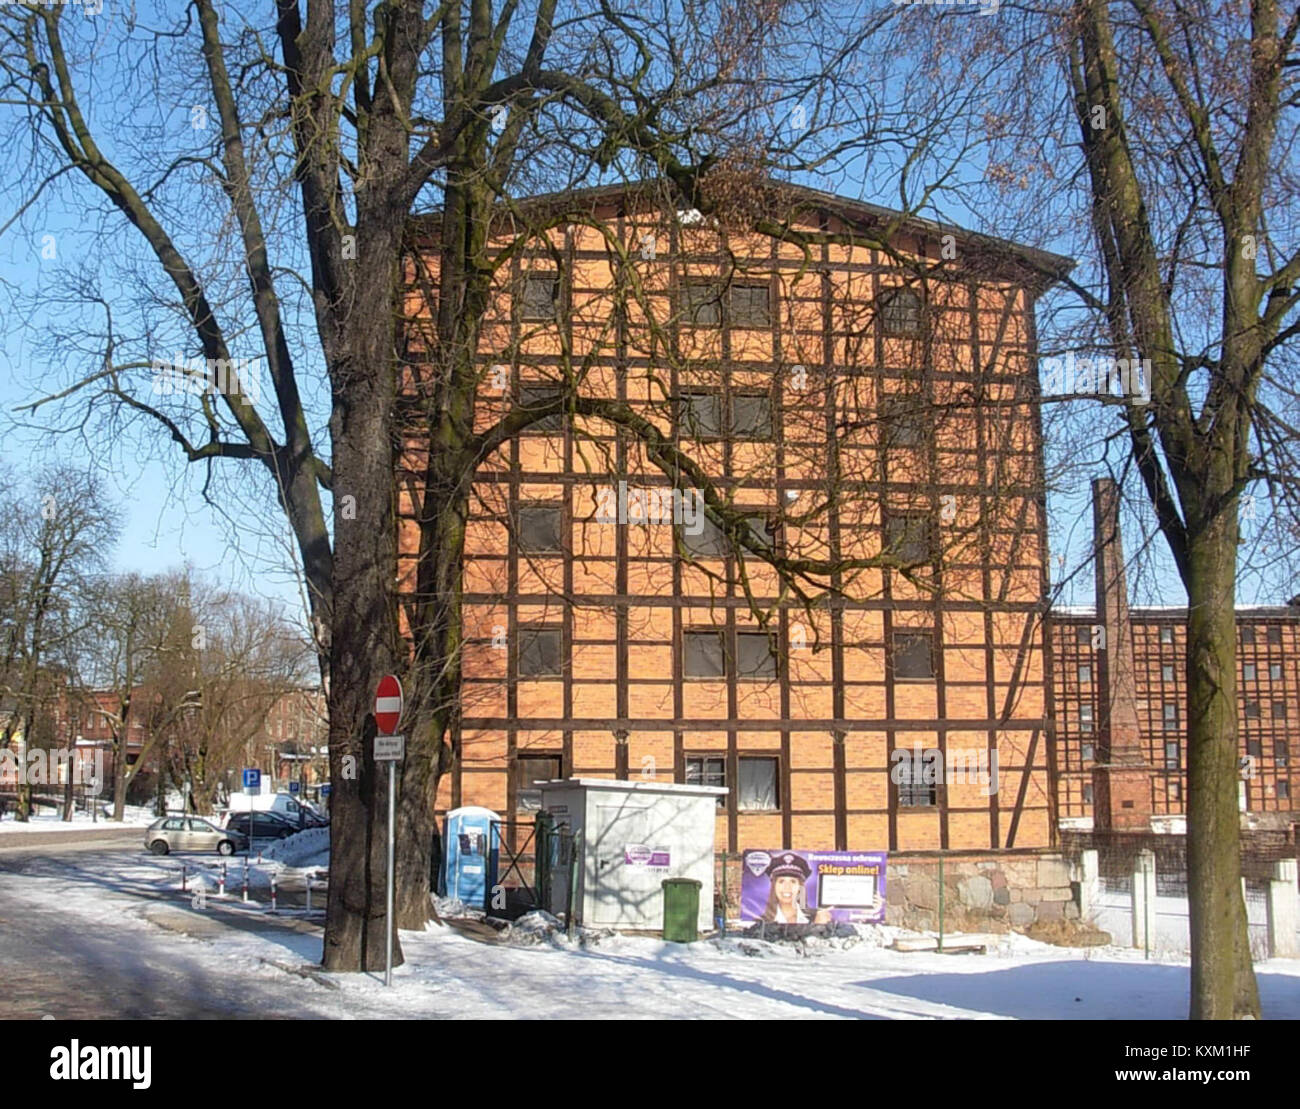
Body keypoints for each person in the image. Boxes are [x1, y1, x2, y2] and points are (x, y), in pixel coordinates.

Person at [760, 852, 831, 924]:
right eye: (781, 881)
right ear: (774, 886)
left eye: (793, 881)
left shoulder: (817, 917)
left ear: (800, 886)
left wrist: (821, 927)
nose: (787, 887)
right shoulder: (761, 922)